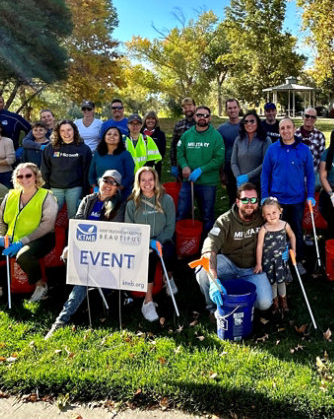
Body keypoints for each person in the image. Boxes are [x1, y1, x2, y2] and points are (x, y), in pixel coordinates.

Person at [46, 170, 125, 338]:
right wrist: (71, 246)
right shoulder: (89, 200)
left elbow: (112, 232)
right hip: (85, 250)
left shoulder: (119, 205)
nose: (108, 185)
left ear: (117, 188)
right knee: (74, 263)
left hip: (105, 254)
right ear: (99, 181)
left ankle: (62, 319)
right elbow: (78, 223)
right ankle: (81, 300)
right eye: (106, 181)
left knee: (83, 277)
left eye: (113, 183)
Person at [0, 162, 58, 308]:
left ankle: (41, 286)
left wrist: (22, 242)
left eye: (28, 175)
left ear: (36, 176)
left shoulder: (47, 197)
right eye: (20, 176)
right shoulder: (10, 195)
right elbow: (1, 221)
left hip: (41, 238)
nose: (24, 179)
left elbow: (47, 225)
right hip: (10, 239)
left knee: (24, 256)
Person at [194, 182, 273, 315]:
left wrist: (284, 247)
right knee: (203, 270)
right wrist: (213, 280)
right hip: (229, 264)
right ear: (237, 201)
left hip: (253, 269)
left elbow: (280, 225)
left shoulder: (263, 216)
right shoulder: (225, 221)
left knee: (264, 303)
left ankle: (240, 297)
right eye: (245, 200)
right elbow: (210, 246)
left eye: (253, 200)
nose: (249, 204)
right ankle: (213, 308)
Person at [260, 117, 315, 271]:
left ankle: (297, 260)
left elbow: (310, 175)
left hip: (296, 200)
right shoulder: (272, 149)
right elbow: (265, 173)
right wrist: (265, 195)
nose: (285, 131)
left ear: (294, 128)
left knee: (296, 231)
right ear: (279, 131)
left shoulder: (304, 150)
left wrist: (310, 194)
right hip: (276, 201)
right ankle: (278, 262)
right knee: (276, 232)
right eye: (282, 128)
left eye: (288, 127)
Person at [124, 167, 177, 322]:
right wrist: (148, 242)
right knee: (150, 257)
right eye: (143, 180)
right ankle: (148, 301)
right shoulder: (132, 204)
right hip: (141, 243)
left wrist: (159, 240)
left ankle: (169, 278)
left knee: (169, 252)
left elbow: (170, 226)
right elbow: (130, 229)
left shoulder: (166, 200)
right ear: (138, 183)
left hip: (163, 239)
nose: (147, 183)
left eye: (150, 180)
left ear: (156, 181)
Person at [176, 105, 224, 237]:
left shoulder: (216, 136)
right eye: (199, 115)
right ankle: (182, 242)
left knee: (207, 216)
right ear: (195, 117)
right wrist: (184, 166)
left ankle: (205, 245)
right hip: (188, 182)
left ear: (210, 118)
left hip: (208, 183)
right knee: (182, 213)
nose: (202, 118)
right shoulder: (187, 135)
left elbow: (219, 159)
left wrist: (201, 170)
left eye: (205, 115)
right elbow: (179, 152)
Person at [41, 120, 92, 217]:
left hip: (75, 189)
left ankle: (70, 232)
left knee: (74, 216)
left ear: (74, 131)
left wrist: (85, 192)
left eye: (69, 130)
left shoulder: (84, 149)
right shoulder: (50, 149)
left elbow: (87, 172)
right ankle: (50, 232)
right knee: (50, 216)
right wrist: (45, 188)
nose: (66, 133)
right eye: (62, 131)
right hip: (54, 188)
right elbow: (44, 170)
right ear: (58, 132)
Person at [255, 198, 296, 316]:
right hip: (269, 261)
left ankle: (284, 301)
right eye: (268, 214)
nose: (272, 216)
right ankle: (275, 302)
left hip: (281, 261)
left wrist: (293, 250)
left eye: (274, 212)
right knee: (272, 282)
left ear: (280, 211)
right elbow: (259, 246)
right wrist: (258, 263)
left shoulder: (284, 225)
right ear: (263, 215)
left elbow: (292, 236)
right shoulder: (264, 229)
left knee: (281, 281)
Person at [231, 110, 271, 191]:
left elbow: (266, 163)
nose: (249, 124)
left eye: (252, 121)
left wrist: (248, 177)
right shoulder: (238, 139)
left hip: (258, 184)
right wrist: (238, 177)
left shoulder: (265, 140)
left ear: (257, 123)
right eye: (246, 122)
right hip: (240, 184)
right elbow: (233, 162)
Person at [88, 126, 135, 195]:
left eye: (115, 135)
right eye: (109, 134)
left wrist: (117, 190)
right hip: (100, 193)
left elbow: (129, 175)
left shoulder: (126, 155)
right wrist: (96, 189)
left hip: (121, 194)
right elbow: (91, 174)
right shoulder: (97, 154)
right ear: (104, 137)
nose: (112, 136)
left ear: (119, 139)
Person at [218, 98, 243, 203]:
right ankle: (234, 218)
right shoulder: (221, 130)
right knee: (233, 198)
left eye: (234, 107)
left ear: (239, 108)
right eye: (230, 108)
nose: (232, 110)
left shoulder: (247, 125)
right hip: (229, 169)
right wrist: (221, 173)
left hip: (247, 167)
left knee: (248, 197)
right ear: (226, 110)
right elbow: (218, 153)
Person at [170, 97, 196, 178]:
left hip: (199, 164)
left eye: (190, 106)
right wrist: (174, 164)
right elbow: (174, 146)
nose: (188, 109)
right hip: (182, 165)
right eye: (185, 107)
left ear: (195, 107)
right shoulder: (179, 125)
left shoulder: (201, 123)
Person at [297, 107, 326, 171]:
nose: (310, 119)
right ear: (303, 117)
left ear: (316, 119)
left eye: (313, 117)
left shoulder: (320, 136)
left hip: (313, 173)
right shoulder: (294, 135)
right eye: (307, 116)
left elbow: (322, 158)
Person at [143, 111, 167, 178]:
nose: (150, 121)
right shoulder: (139, 133)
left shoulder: (160, 134)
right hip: (140, 165)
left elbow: (162, 152)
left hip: (155, 166)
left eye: (153, 119)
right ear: (145, 120)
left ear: (156, 121)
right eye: (148, 118)